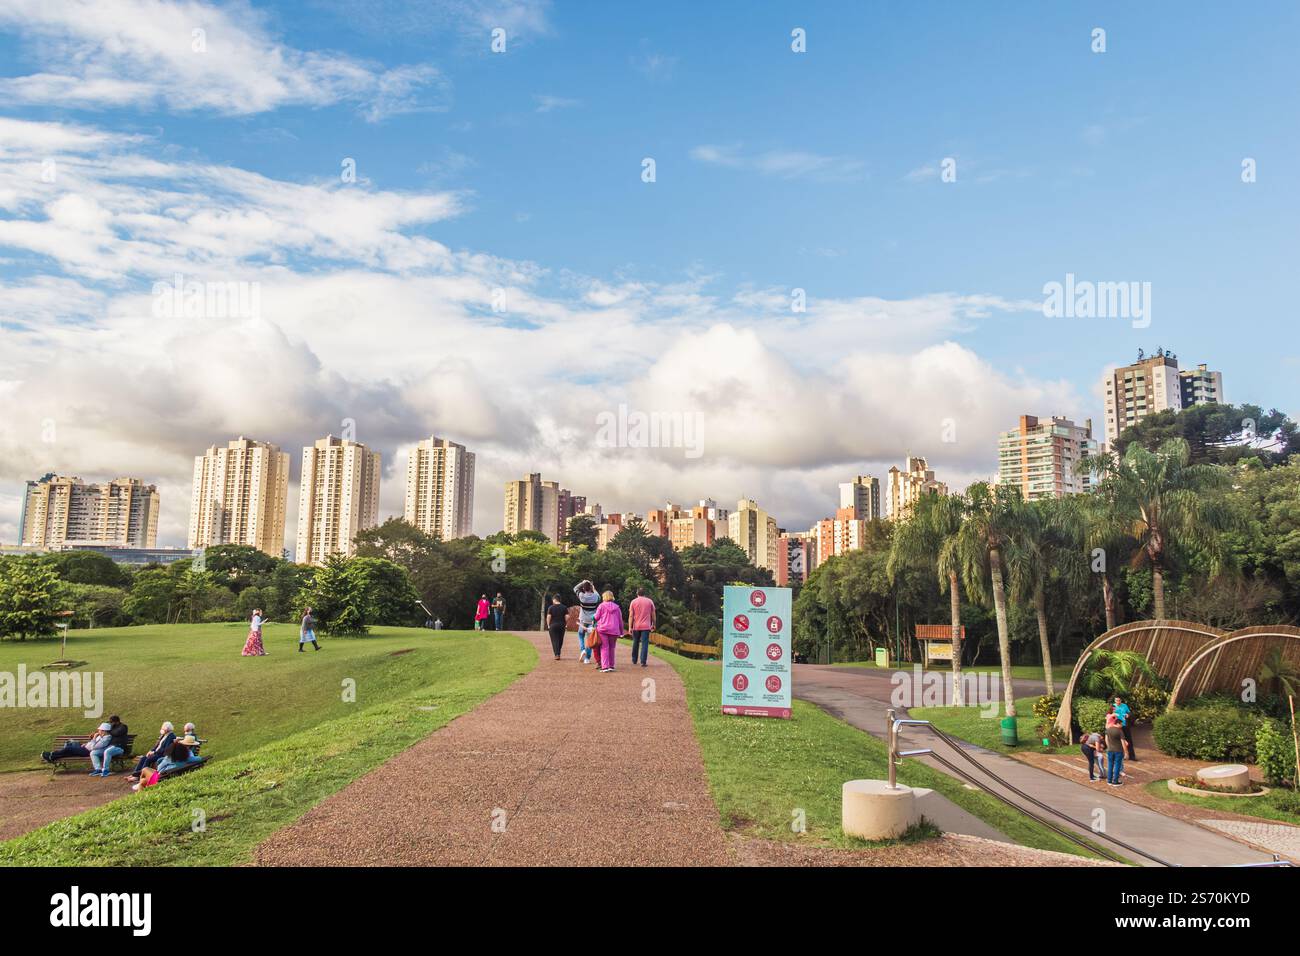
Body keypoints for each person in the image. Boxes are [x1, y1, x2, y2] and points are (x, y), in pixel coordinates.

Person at [42, 720, 109, 765]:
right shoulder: (101, 736)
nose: (98, 731)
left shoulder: (105, 739)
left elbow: (93, 747)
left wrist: (94, 737)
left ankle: (51, 754)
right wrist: (86, 744)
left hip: (87, 752)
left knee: (68, 748)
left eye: (99, 730)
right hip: (85, 748)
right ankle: (52, 757)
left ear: (104, 731)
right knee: (68, 753)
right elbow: (92, 743)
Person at [594, 590, 623, 673]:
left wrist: (593, 617)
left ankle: (605, 667)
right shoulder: (617, 607)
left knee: (604, 648)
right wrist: (621, 632)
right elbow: (620, 620)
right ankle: (611, 666)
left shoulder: (601, 606)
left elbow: (596, 617)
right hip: (614, 630)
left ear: (604, 597)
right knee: (612, 648)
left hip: (603, 629)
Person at [627, 587, 656, 668]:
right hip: (646, 626)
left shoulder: (633, 602)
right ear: (644, 593)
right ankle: (643, 662)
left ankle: (634, 659)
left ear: (637, 593)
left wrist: (630, 627)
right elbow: (653, 614)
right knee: (644, 644)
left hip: (636, 626)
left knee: (635, 642)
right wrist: (654, 624)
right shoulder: (649, 601)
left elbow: (631, 616)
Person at [573, 580, 601, 664]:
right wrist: (593, 586)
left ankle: (582, 650)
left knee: (580, 635)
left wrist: (583, 582)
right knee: (590, 639)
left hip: (582, 620)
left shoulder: (581, 596)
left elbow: (575, 588)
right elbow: (599, 596)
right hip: (592, 621)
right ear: (591, 588)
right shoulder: (596, 596)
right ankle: (587, 659)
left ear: (584, 589)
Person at [1104, 713, 1126, 786]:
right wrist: (1126, 752)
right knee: (1117, 766)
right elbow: (1123, 743)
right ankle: (1115, 781)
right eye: (1121, 724)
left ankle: (1109, 780)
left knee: (1110, 765)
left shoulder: (1108, 729)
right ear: (1118, 723)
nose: (1122, 725)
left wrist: (1109, 746)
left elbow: (1106, 739)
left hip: (1110, 750)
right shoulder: (1120, 731)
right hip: (1118, 751)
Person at [1113, 694, 1136, 761]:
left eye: (1119, 700)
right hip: (1117, 727)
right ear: (1115, 700)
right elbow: (1109, 714)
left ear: (1121, 700)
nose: (1118, 701)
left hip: (1125, 726)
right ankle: (1119, 756)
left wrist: (1128, 715)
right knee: (1118, 741)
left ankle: (1132, 756)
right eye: (1117, 700)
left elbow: (1130, 713)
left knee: (1129, 740)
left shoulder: (1125, 706)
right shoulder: (1113, 706)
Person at [545, 595, 568, 660]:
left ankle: (557, 654)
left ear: (554, 600)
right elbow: (567, 617)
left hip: (553, 625)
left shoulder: (551, 607)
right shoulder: (564, 607)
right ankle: (558, 653)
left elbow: (548, 617)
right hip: (562, 625)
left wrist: (548, 625)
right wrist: (565, 623)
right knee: (560, 640)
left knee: (554, 640)